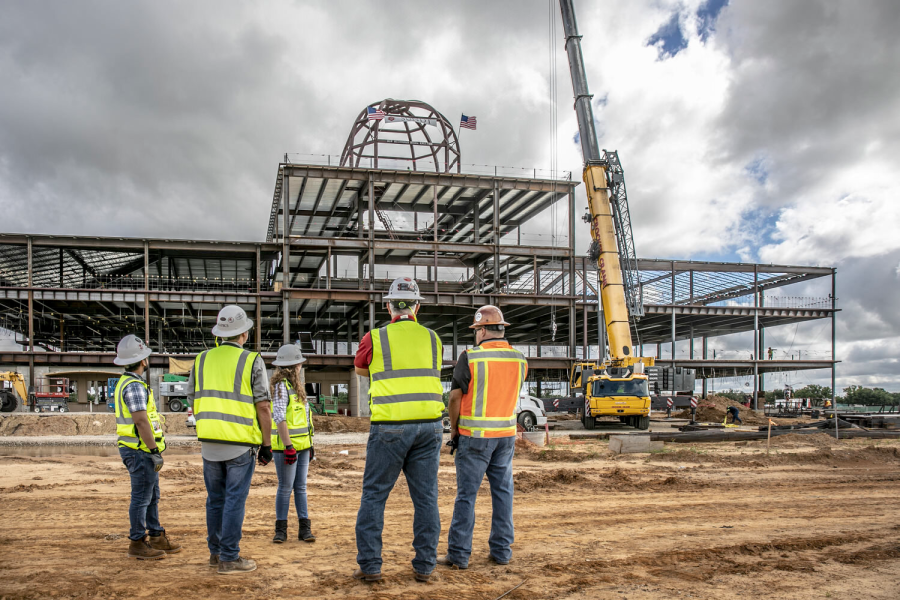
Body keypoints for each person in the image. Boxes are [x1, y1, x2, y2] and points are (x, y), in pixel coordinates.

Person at [353, 277, 444, 583]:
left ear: (388, 305)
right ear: (417, 306)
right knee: (427, 498)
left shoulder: (374, 338)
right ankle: (425, 566)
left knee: (374, 496)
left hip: (390, 427)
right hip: (430, 428)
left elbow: (360, 368)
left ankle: (370, 567)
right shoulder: (434, 339)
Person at [439, 305, 527, 570]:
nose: (475, 334)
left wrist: (454, 429)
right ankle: (501, 552)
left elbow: (454, 397)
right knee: (503, 493)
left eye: (476, 330)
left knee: (466, 496)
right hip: (505, 437)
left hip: (474, 437)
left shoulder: (470, 357)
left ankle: (458, 555)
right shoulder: (520, 359)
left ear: (484, 329)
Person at [187, 305, 272, 575]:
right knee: (234, 500)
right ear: (244, 333)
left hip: (209, 443)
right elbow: (263, 407)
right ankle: (230, 558)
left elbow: (191, 398)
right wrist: (268, 445)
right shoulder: (251, 360)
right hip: (239, 443)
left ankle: (216, 554)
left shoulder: (201, 360)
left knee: (215, 500)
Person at [113, 334, 182, 560]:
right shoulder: (134, 386)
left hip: (140, 449)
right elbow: (141, 421)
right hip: (140, 451)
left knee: (152, 495)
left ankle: (156, 535)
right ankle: (137, 542)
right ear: (143, 360)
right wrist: (153, 451)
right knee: (142, 497)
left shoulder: (131, 383)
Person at [269, 343, 316, 544]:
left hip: (303, 446)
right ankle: (281, 530)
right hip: (287, 448)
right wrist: (288, 447)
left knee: (301, 487)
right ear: (295, 366)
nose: (300, 367)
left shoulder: (297, 388)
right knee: (286, 487)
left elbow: (305, 420)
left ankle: (304, 529)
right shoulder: (281, 387)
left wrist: (310, 444)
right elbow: (279, 418)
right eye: (299, 364)